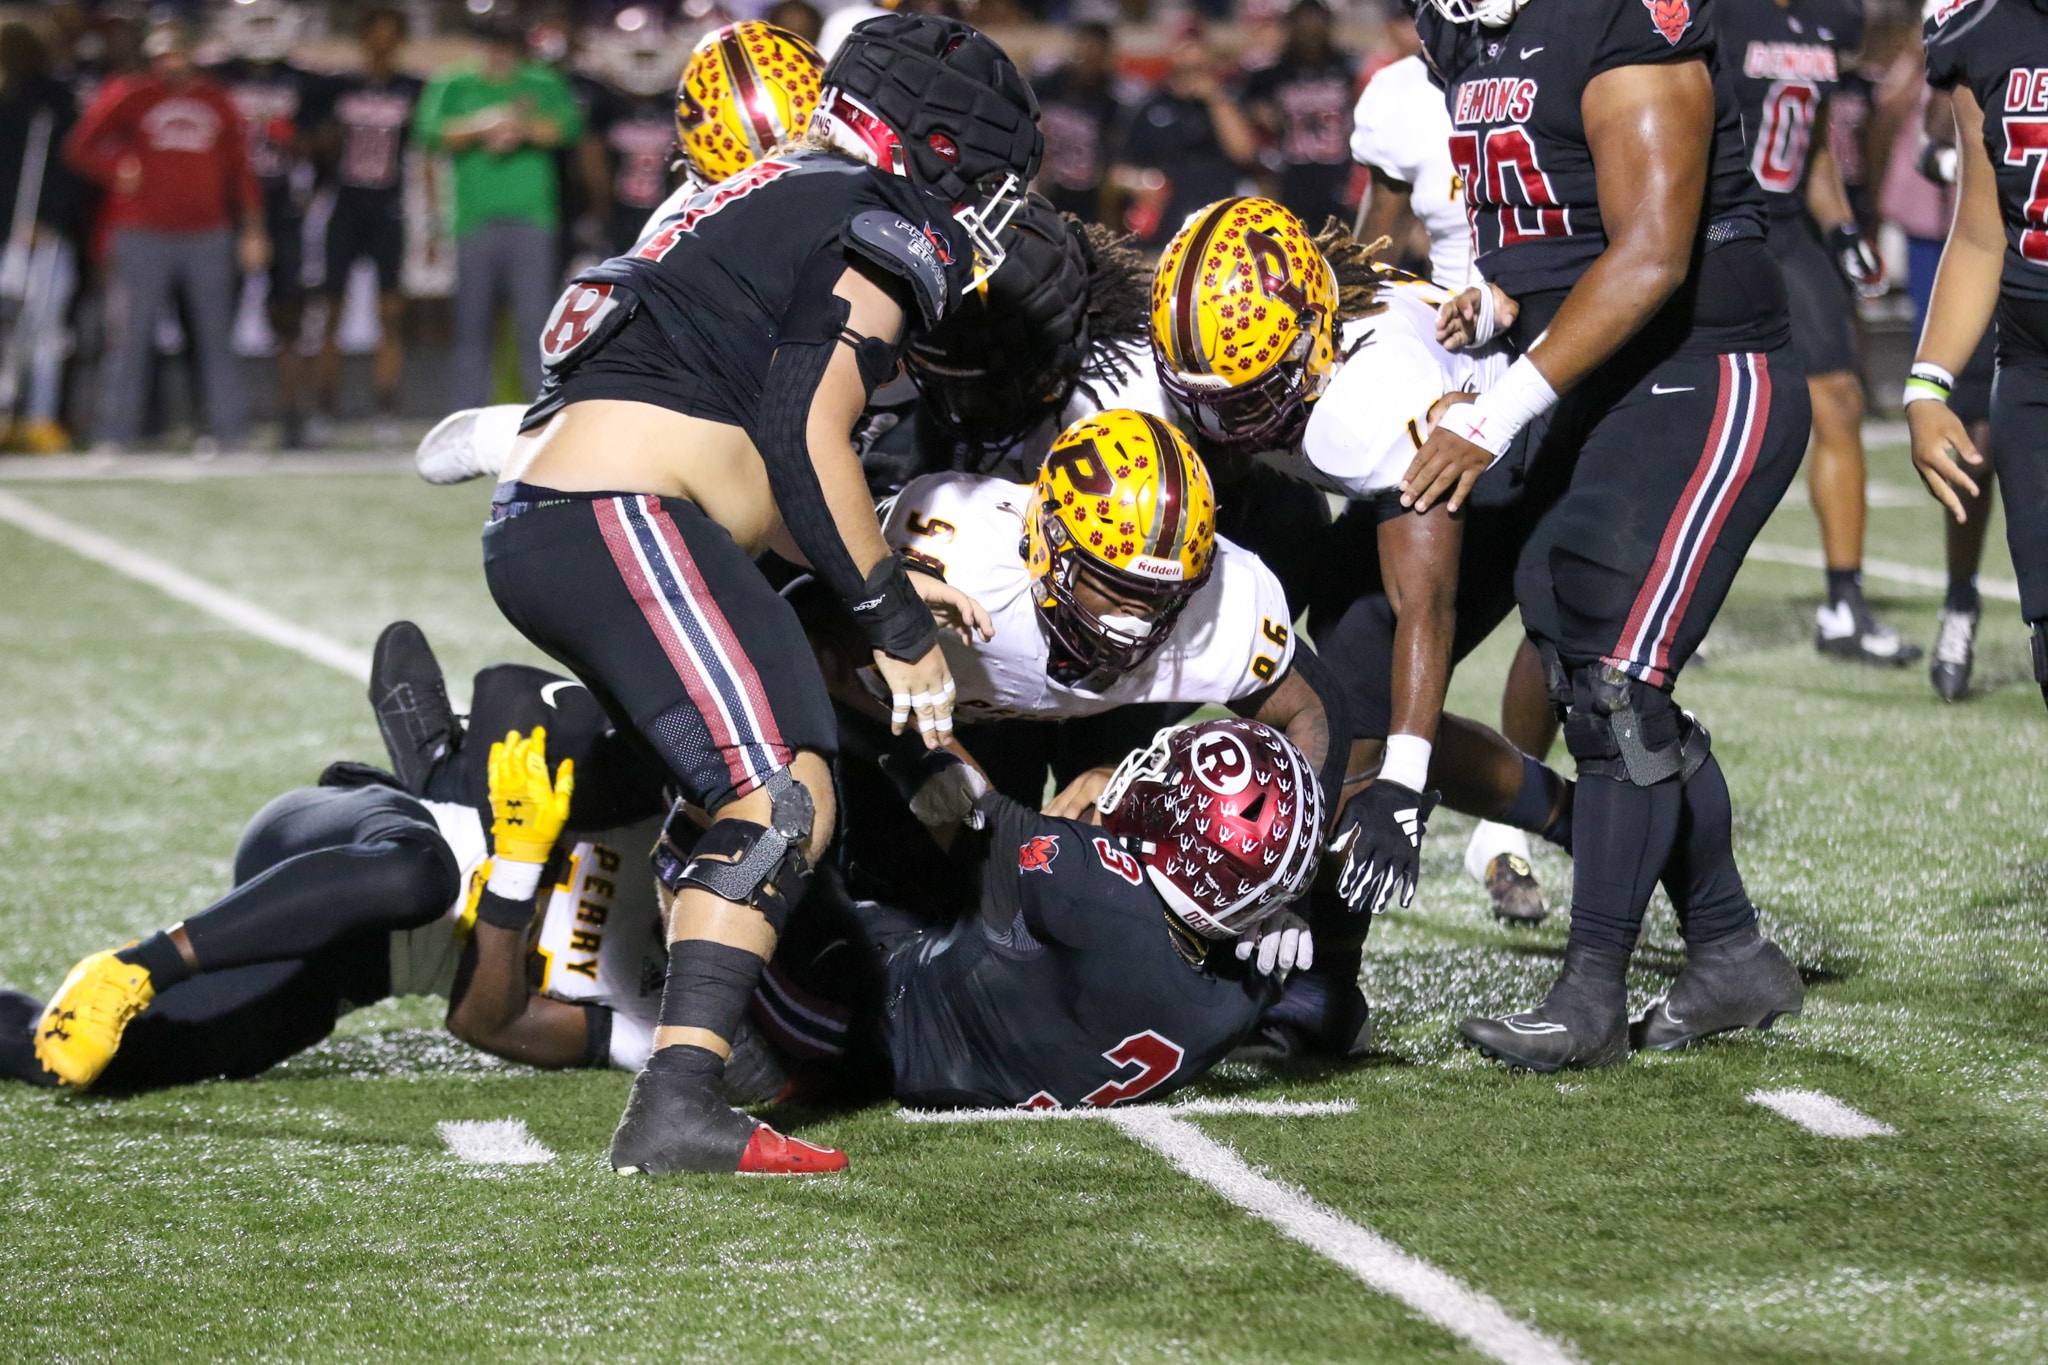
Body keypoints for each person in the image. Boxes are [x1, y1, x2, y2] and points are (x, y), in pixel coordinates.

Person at [482, 14, 1040, 1175]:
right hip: (622, 515)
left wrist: (875, 580)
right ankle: (677, 1095)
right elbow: (801, 424)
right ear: (932, 146)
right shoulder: (881, 216)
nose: (986, 206)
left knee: (775, 779)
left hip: (599, 512)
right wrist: (894, 625)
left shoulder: (771, 186)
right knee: (775, 793)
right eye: (983, 174)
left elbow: (743, 428)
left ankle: (688, 1070)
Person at [1411, 0, 1811, 1070]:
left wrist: (1493, 418)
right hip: (1593, 378)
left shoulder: (1618, 14)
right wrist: (1499, 302)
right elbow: (1557, 223)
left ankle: (1589, 993)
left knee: (1620, 683)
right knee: (1588, 665)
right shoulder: (1456, 27)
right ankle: (1728, 953)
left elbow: (1645, 253)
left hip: (1706, 366)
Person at [19, 632, 671, 1093]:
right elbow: (514, 693)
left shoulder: (677, 1019)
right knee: (419, 879)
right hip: (374, 838)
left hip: (353, 970)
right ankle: (132, 967)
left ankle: (437, 762)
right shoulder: (686, 817)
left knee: (73, 1054)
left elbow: (487, 1021)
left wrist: (520, 870)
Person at [1720, 0, 1917, 665]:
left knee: (1839, 400)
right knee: (1695, 418)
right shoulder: (1713, 12)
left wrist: (1841, 230)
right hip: (1715, 227)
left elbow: (1816, 148)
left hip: (1789, 229)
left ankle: (1843, 604)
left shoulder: (1834, 18)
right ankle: (1646, 600)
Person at [1907, 0, 2048, 717]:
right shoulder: (1979, 27)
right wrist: (1927, 386)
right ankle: (1960, 602)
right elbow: (1979, 234)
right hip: (2032, 368)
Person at [66, 19, 267, 454]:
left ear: (193, 53)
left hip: (207, 232)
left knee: (215, 337)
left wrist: (252, 228)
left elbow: (240, 170)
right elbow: (80, 145)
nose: (171, 61)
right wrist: (115, 167)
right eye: (163, 53)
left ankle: (228, 433)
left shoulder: (217, 99)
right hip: (142, 232)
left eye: (179, 52)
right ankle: (114, 434)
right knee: (129, 338)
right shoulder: (131, 93)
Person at [415, 19, 584, 412]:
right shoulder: (453, 83)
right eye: (492, 43)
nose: (499, 52)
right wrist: (484, 125)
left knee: (536, 324)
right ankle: (467, 414)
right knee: (471, 326)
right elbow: (430, 133)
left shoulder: (542, 82)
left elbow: (568, 129)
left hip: (533, 217)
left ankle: (545, 413)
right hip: (473, 219)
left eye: (506, 44)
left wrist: (517, 127)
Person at [208, 0, 321, 450]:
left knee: (289, 317)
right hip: (226, 209)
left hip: (285, 211)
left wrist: (298, 144)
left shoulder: (308, 83)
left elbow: (322, 147)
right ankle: (219, 416)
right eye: (254, 20)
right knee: (216, 315)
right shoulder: (216, 78)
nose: (262, 31)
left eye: (270, 21)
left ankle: (292, 415)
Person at [306, 5, 422, 443]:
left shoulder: (412, 88)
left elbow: (422, 151)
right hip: (345, 204)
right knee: (330, 311)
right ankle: (325, 407)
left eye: (391, 33)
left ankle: (386, 408)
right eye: (376, 32)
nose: (383, 41)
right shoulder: (337, 87)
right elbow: (315, 145)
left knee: (390, 313)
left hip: (388, 207)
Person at [0, 20, 84, 454]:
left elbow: (62, 170)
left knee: (44, 330)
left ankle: (40, 417)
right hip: (6, 234)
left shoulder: (50, 101)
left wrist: (47, 219)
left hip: (38, 235)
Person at [1107, 21, 1258, 250]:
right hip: (1162, 233)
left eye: (1197, 66)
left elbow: (1244, 152)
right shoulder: (1149, 106)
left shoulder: (1226, 102)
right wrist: (1142, 182)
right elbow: (1117, 172)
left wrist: (1215, 98)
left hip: (1217, 235)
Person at [1350, 48, 1469, 287]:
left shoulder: (1557, 71)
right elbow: (1370, 268)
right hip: (1450, 313)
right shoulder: (1402, 91)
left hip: (1549, 311)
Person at [1240, 0, 1359, 229]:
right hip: (1291, 179)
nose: (1309, 27)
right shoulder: (1267, 76)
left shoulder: (1348, 68)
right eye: (1301, 19)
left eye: (1315, 18)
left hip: (1340, 178)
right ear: (1288, 24)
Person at [581, 17, 684, 258]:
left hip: (666, 214)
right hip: (618, 217)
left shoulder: (679, 103)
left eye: (649, 57)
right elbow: (592, 163)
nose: (644, 66)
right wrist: (599, 209)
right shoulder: (606, 105)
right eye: (640, 56)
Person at [1033, 22, 1123, 224]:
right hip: (1045, 184)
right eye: (1086, 51)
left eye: (1097, 55)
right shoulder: (1045, 87)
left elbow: (1108, 164)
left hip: (1085, 193)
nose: (1089, 60)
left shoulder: (1110, 100)